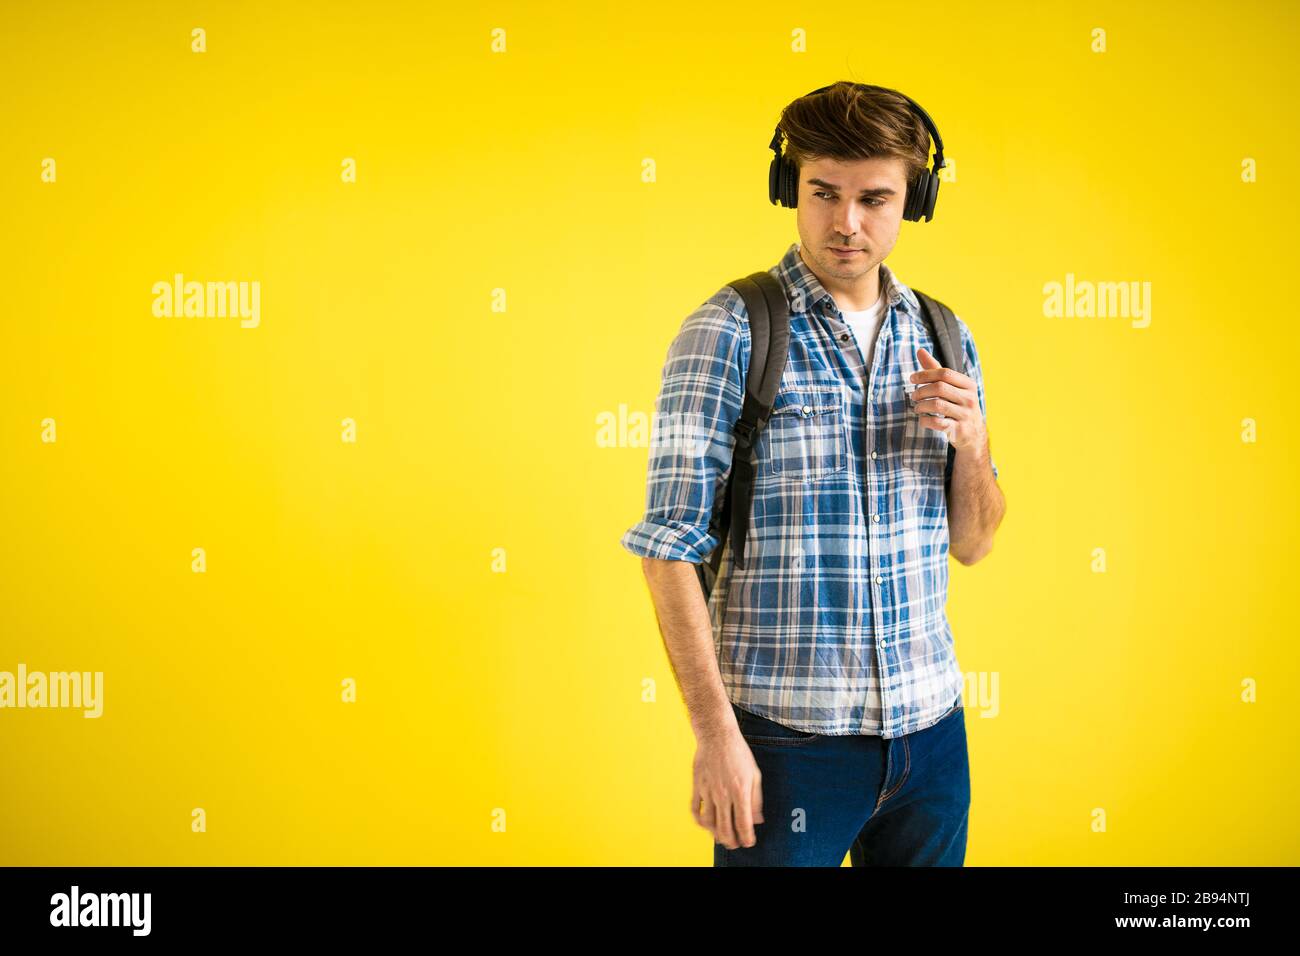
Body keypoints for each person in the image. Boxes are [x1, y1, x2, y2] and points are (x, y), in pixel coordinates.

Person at [620, 81, 1007, 866]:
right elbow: (668, 547)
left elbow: (974, 544)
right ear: (788, 188)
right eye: (823, 193)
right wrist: (715, 737)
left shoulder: (945, 334)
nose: (847, 223)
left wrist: (972, 445)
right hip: (786, 743)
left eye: (876, 198)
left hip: (931, 738)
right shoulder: (730, 329)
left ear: (914, 201)